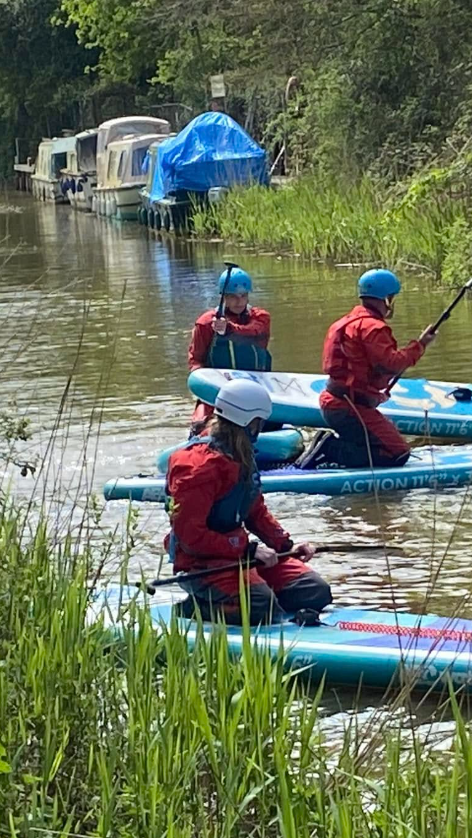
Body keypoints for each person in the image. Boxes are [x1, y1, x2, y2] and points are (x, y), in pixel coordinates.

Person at [165, 378, 332, 626]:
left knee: (314, 591)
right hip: (200, 565)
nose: (262, 428)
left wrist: (288, 545)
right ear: (250, 423)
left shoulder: (240, 454)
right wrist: (248, 550)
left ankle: (258, 599)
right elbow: (190, 537)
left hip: (238, 555)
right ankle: (195, 608)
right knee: (260, 606)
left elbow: (255, 511)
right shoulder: (197, 468)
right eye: (260, 423)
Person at [302, 269, 435, 469]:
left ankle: (337, 448)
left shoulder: (345, 322)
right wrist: (420, 345)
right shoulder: (372, 327)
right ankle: (331, 448)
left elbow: (360, 369)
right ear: (387, 299)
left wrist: (372, 393)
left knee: (381, 443)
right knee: (398, 453)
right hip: (348, 408)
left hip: (339, 403)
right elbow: (390, 363)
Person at [187, 267, 273, 431]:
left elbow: (253, 334)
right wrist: (206, 387)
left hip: (255, 389)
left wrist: (228, 330)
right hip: (220, 390)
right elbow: (196, 361)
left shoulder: (261, 318)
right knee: (199, 425)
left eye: (243, 296)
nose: (239, 302)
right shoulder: (206, 323)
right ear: (223, 296)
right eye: (233, 297)